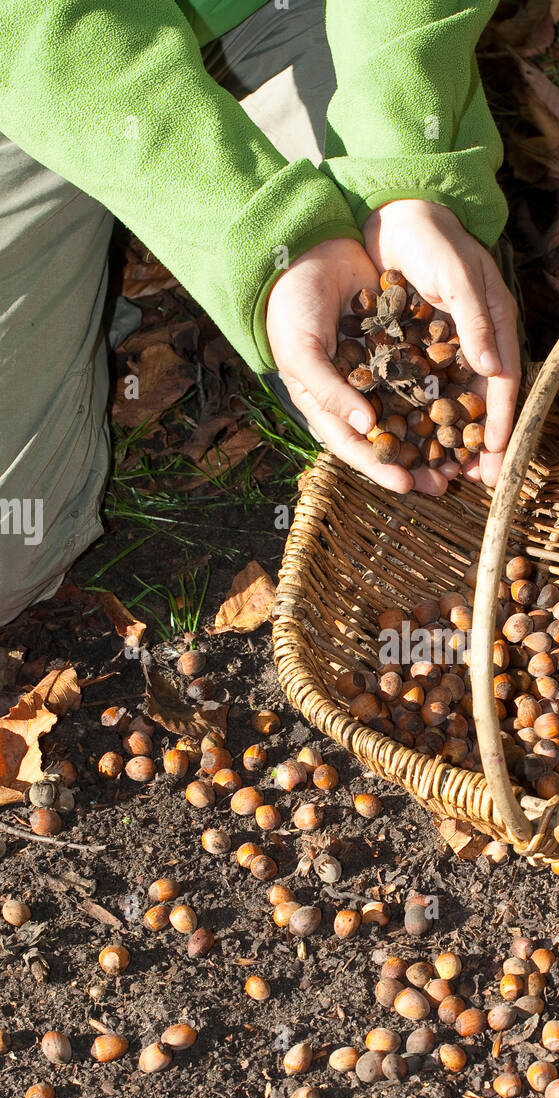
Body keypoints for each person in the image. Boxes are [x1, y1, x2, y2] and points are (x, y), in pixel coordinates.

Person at [0, 0, 520, 627]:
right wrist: (258, 232)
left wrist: (405, 179)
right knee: (10, 551)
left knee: (437, 385)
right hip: (29, 63)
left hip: (279, 16)